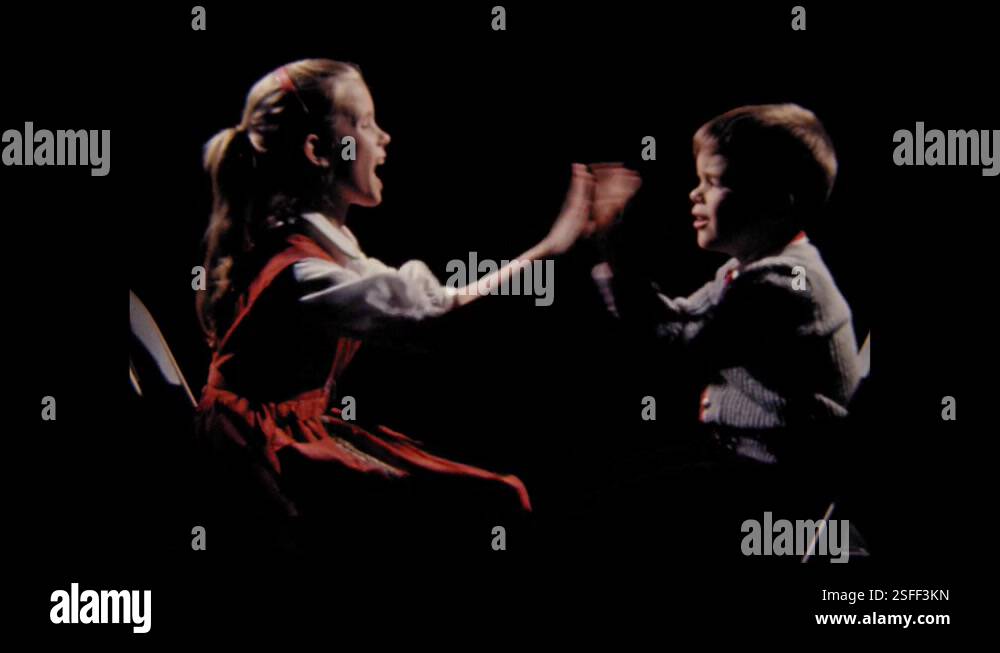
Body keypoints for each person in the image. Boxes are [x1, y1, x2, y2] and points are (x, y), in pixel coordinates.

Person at [193, 59, 599, 551]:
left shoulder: (319, 245)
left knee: (487, 495)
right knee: (493, 502)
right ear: (318, 150)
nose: (384, 137)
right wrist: (550, 251)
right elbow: (439, 319)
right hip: (261, 453)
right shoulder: (302, 270)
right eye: (364, 124)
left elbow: (430, 304)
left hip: (288, 432)